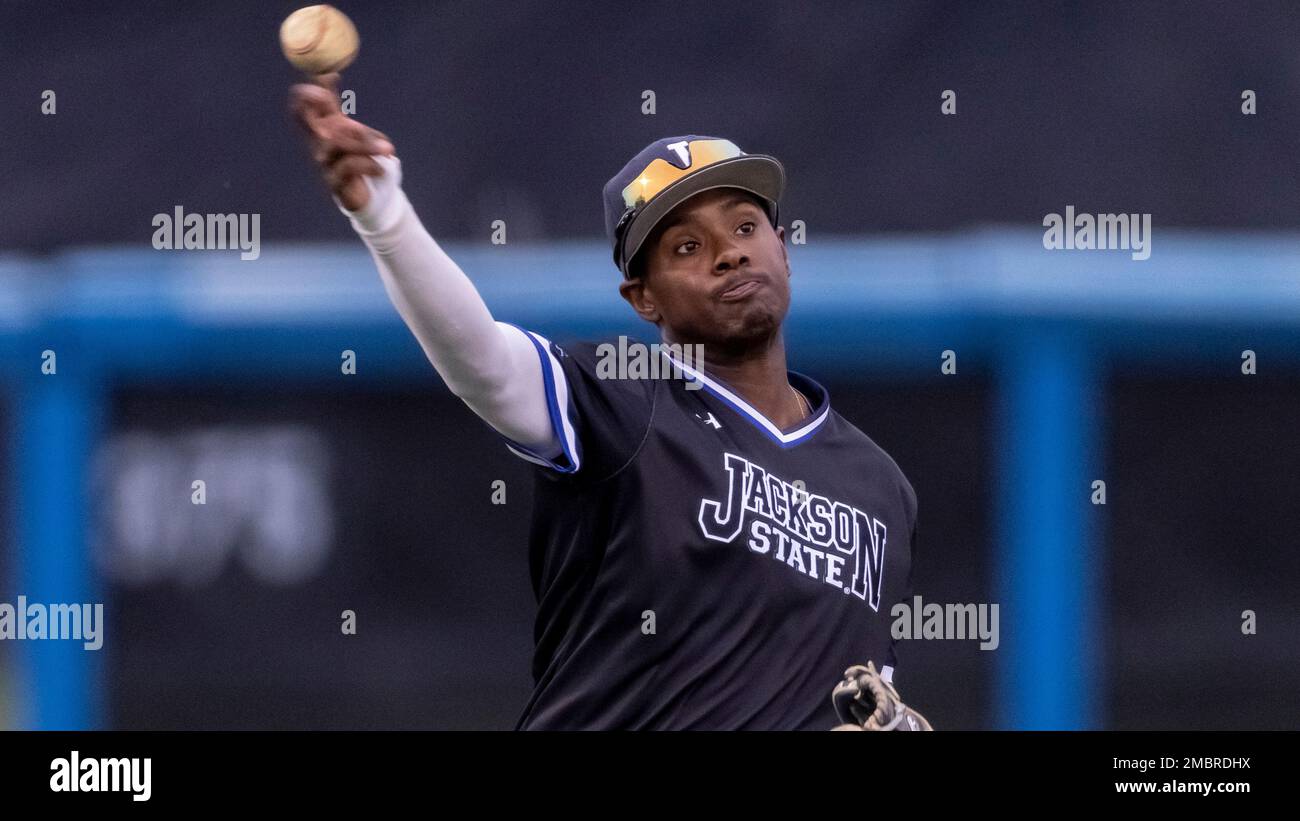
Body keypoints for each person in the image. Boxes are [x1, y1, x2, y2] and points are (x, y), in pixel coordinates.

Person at [291, 77, 921, 729]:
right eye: (686, 246)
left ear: (784, 249)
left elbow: (856, 694)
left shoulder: (880, 487)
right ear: (642, 298)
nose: (729, 253)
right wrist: (384, 214)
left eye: (744, 224)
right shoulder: (623, 400)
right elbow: (483, 362)